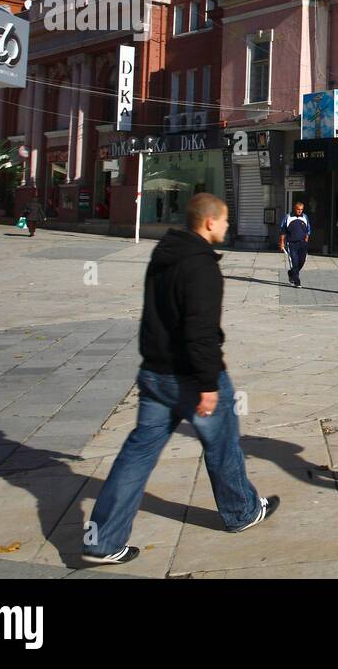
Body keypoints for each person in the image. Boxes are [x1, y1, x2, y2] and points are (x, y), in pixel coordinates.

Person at [83, 193, 277, 564]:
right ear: (208, 222)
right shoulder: (202, 267)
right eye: (224, 221)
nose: (227, 226)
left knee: (137, 456)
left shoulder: (164, 254)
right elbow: (200, 332)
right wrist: (207, 384)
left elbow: (155, 315)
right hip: (191, 376)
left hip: (155, 372)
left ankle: (102, 540)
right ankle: (242, 511)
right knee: (222, 445)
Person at [278, 201, 311, 288]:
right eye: (298, 209)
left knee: (302, 261)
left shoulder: (305, 217)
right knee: (294, 263)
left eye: (301, 209)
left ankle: (291, 273)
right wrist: (281, 243)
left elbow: (308, 230)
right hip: (292, 244)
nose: (300, 211)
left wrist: (306, 240)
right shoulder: (288, 217)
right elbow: (282, 231)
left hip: (303, 244)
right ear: (294, 209)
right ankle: (297, 281)